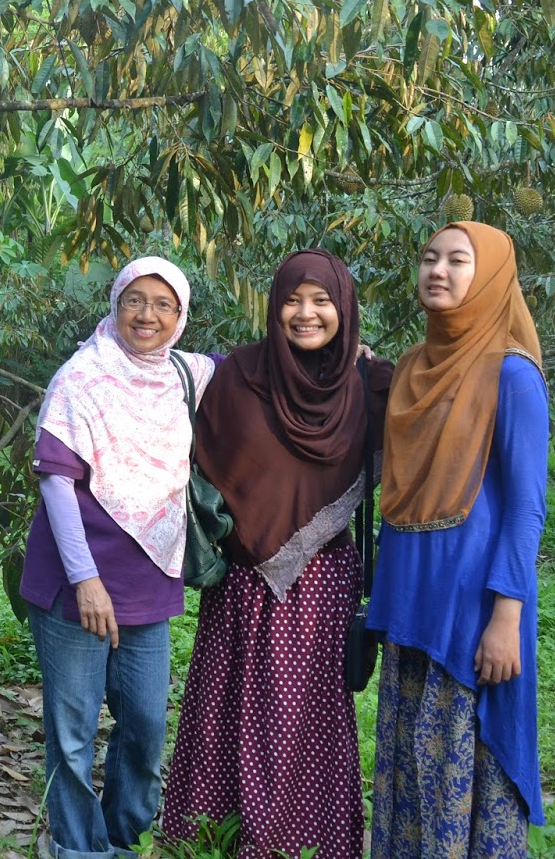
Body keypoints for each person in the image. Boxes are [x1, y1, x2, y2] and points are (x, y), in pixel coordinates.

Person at [160, 250, 391, 857]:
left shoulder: (370, 384)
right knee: (227, 706)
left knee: (306, 717)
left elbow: (441, 400)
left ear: (345, 310)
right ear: (273, 306)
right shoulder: (237, 374)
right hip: (240, 583)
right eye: (293, 299)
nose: (306, 313)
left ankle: (302, 838)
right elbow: (176, 403)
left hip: (320, 583)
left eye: (323, 301)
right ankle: (213, 832)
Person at [18, 256, 216, 859]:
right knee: (72, 734)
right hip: (77, 583)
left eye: (163, 304)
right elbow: (56, 482)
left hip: (149, 581)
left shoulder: (187, 373)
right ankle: (79, 849)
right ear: (115, 302)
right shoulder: (82, 376)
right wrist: (86, 581)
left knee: (145, 727)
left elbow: (260, 373)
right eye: (135, 300)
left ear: (180, 316)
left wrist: (355, 361)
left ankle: (127, 839)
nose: (147, 315)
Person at [366, 222, 546, 857]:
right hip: (412, 599)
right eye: (429, 258)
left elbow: (526, 510)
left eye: (458, 261)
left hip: (473, 607)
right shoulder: (414, 367)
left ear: (492, 275)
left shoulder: (512, 374)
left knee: (461, 765)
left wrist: (507, 614)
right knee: (408, 762)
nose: (437, 271)